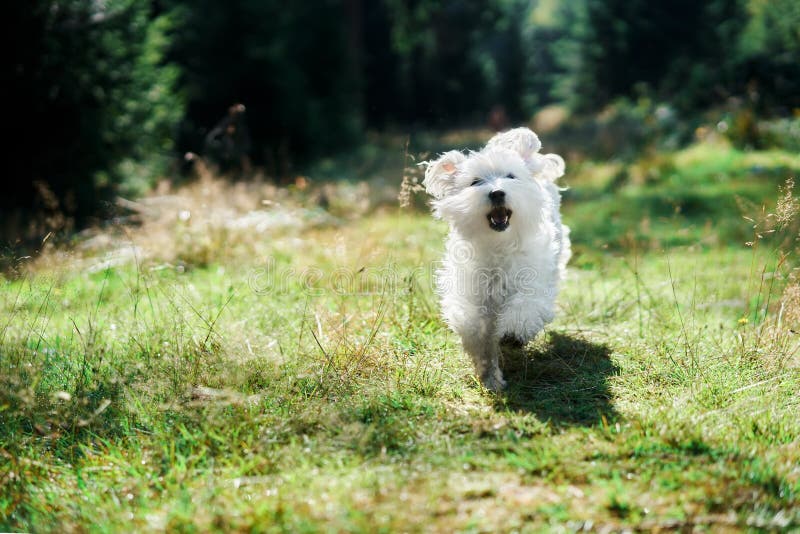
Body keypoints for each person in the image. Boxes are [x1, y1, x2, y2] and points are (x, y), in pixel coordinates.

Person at [204, 103, 252, 176]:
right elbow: (220, 132)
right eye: (237, 112)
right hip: (226, 147)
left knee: (243, 161)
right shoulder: (228, 121)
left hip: (238, 146)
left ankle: (245, 176)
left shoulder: (240, 122)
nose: (240, 113)